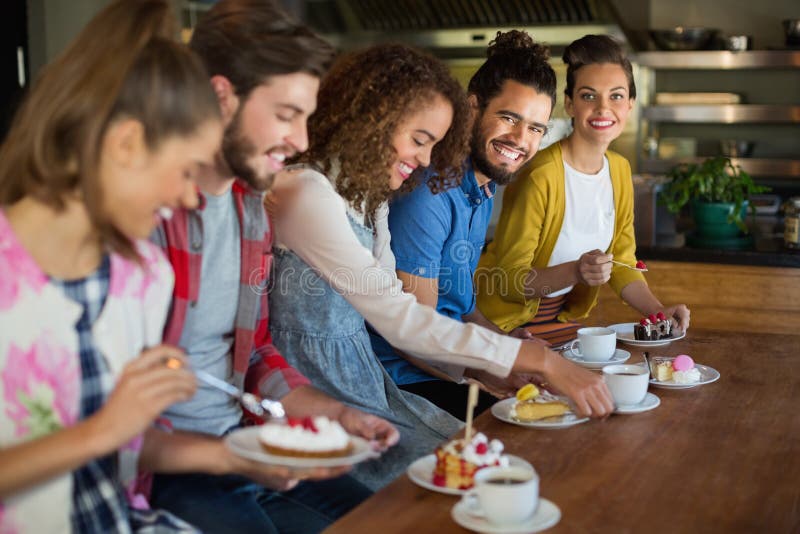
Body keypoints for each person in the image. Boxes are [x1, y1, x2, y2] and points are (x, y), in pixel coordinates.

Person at [268, 43, 614, 491]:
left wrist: (498, 361)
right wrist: (535, 359)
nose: (427, 161)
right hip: (319, 390)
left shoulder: (370, 201)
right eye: (419, 140)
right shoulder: (309, 193)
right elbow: (405, 321)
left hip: (365, 384)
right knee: (455, 477)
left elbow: (418, 311)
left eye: (535, 127)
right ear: (374, 120)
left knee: (474, 464)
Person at [148, 1, 399, 533]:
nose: (302, 141)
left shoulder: (250, 209)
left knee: (381, 521)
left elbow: (254, 350)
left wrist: (332, 414)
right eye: (287, 115)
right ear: (220, 97)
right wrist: (233, 459)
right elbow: (109, 423)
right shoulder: (150, 217)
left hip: (247, 442)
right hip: (168, 471)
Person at [0, 0, 218, 531]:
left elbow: (123, 451)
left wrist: (239, 458)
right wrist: (102, 430)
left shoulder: (143, 274)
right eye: (188, 171)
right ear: (127, 143)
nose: (194, 198)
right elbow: (107, 434)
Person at [369, 31, 564, 419]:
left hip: (448, 370)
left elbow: (464, 312)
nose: (521, 140)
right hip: (409, 384)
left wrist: (508, 344)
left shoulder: (481, 190)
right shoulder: (430, 194)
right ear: (472, 108)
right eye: (509, 118)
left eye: (536, 128)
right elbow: (416, 336)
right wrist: (490, 368)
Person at [476, 35, 691, 341]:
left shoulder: (619, 170)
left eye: (616, 96)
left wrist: (659, 312)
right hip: (507, 328)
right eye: (589, 96)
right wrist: (576, 271)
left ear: (630, 104)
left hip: (564, 326)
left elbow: (622, 263)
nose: (604, 108)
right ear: (569, 104)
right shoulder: (541, 174)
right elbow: (509, 280)